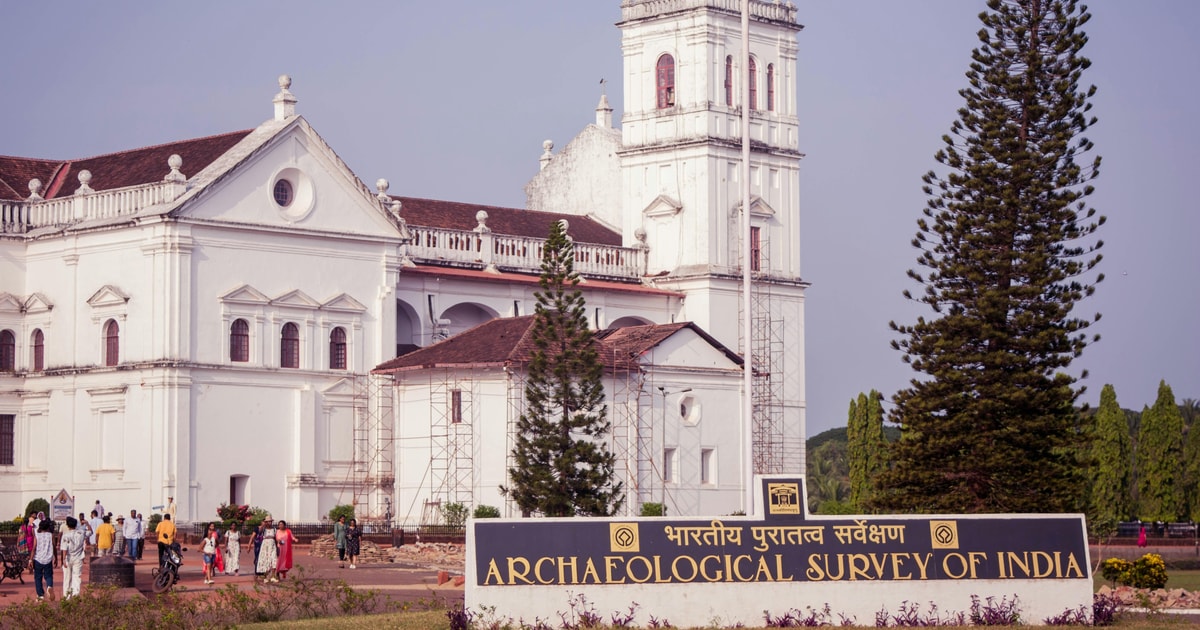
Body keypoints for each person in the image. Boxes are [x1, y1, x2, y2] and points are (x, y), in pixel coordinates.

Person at [59, 516, 86, 599]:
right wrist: (87, 523)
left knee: (67, 578)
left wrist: (63, 560)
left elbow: (64, 548)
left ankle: (66, 597)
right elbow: (91, 532)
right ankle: (75, 595)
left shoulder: (66, 535)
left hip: (68, 557)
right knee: (76, 577)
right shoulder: (81, 533)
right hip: (78, 558)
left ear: (67, 526)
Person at [31, 518, 56, 602]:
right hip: (48, 558)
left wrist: (30, 560)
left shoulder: (37, 535)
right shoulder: (51, 535)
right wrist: (55, 558)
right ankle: (49, 586)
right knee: (48, 575)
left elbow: (34, 548)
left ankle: (40, 595)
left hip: (38, 558)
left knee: (38, 577)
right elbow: (54, 547)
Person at [256, 517, 279, 583]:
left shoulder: (274, 529)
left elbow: (275, 538)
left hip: (272, 545)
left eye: (270, 521)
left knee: (274, 559)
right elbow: (259, 532)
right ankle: (266, 577)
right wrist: (263, 525)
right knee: (265, 560)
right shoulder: (264, 529)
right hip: (265, 545)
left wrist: (277, 547)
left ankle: (273, 576)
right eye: (268, 521)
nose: (269, 523)